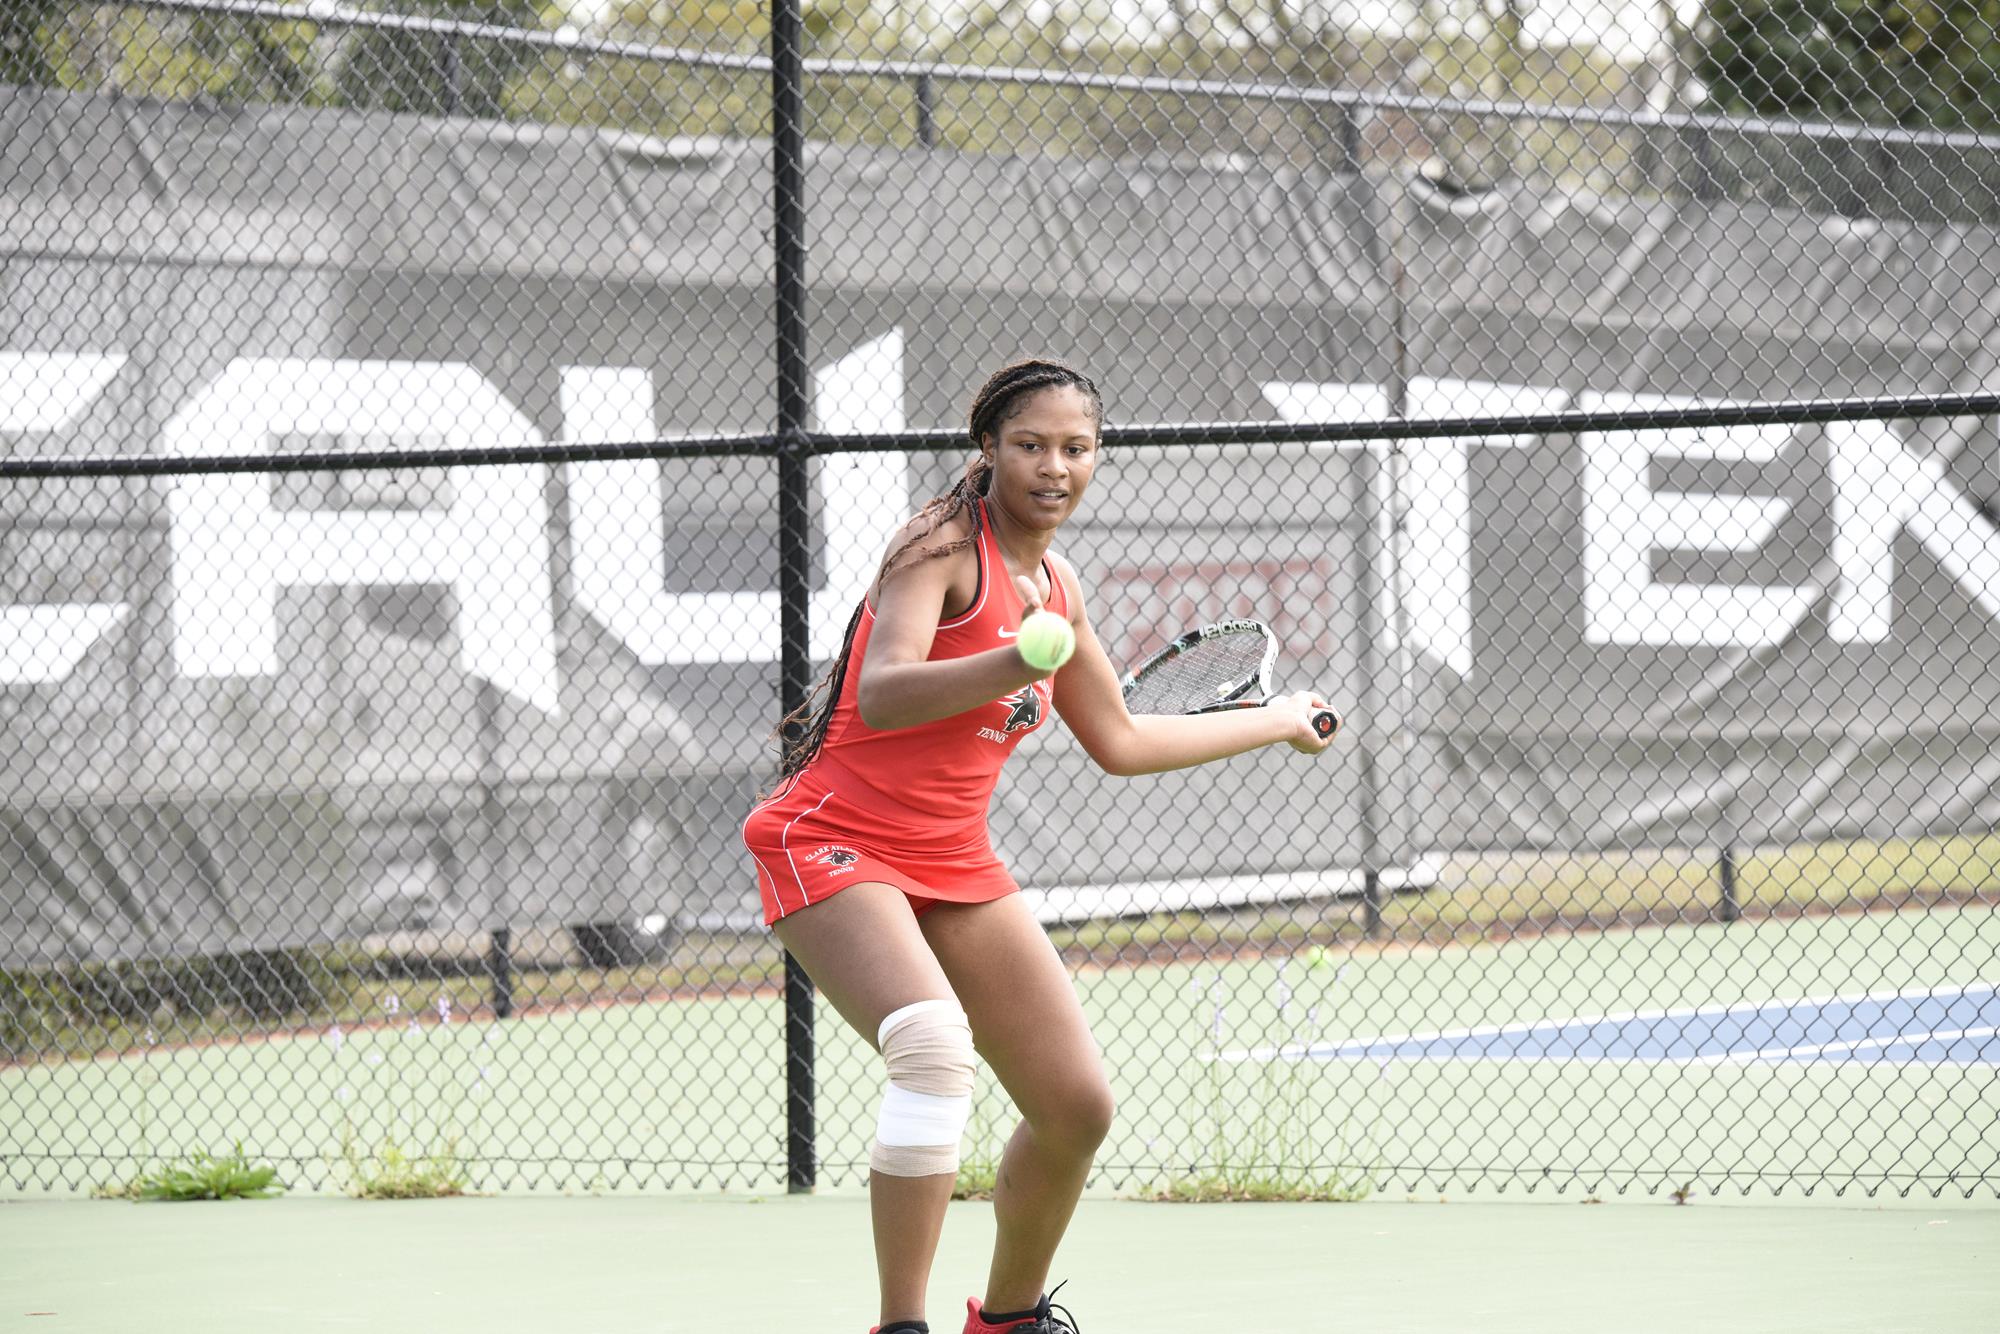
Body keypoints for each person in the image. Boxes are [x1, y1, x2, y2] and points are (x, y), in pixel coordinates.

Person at [740, 359, 1335, 1334]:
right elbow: (884, 690)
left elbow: (1123, 740)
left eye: (1075, 447)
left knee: (1074, 1105)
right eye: (1029, 445)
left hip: (951, 856)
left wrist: (1271, 718)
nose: (1053, 466)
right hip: (831, 836)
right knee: (930, 1044)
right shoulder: (935, 546)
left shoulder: (1057, 585)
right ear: (987, 448)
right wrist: (1016, 657)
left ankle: (1007, 1320)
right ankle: (900, 1324)